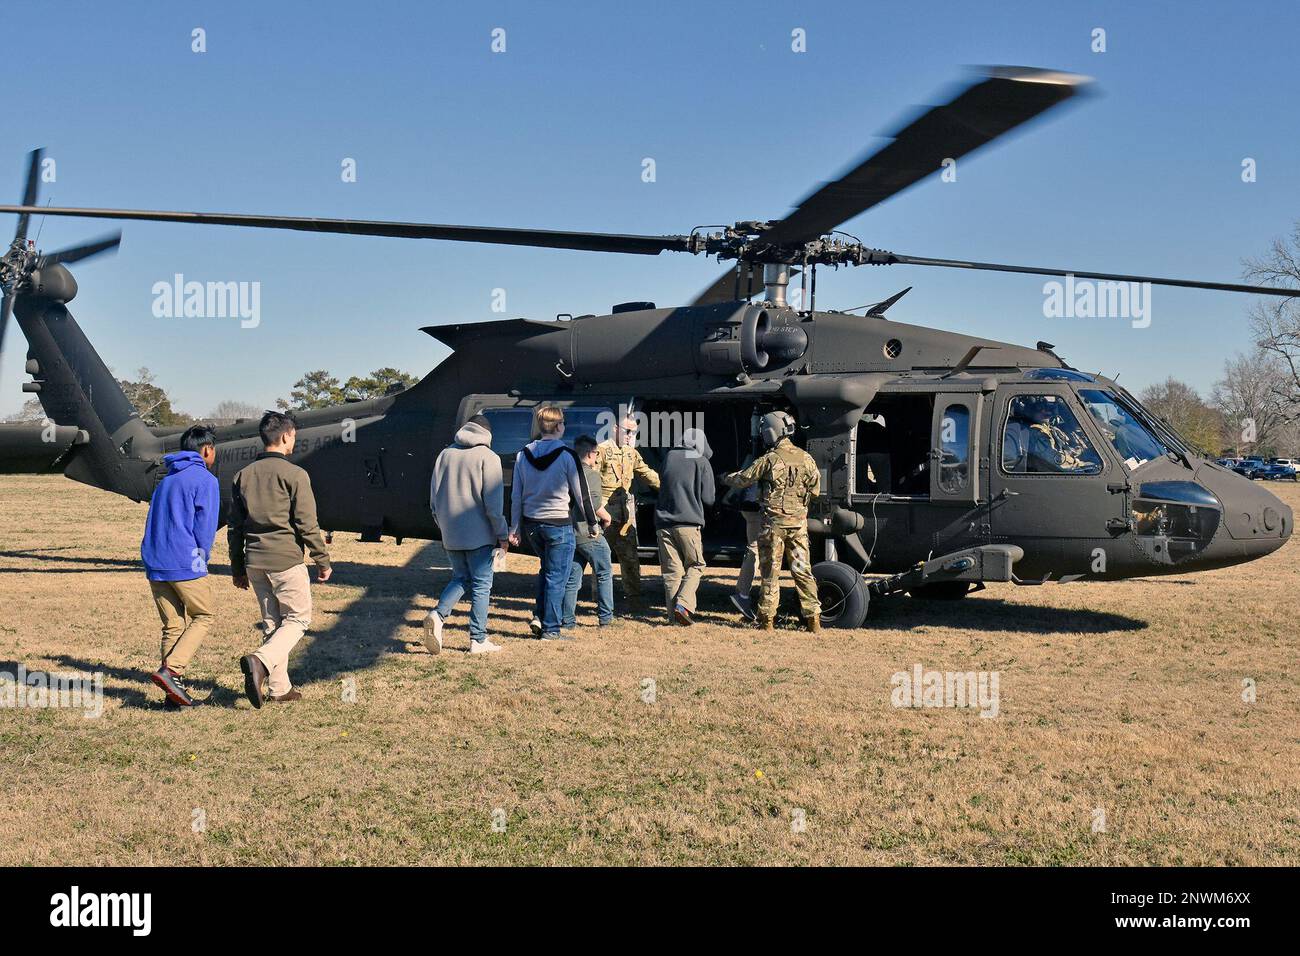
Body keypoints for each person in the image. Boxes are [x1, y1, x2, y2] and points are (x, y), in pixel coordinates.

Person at [229, 411, 332, 708]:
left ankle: (279, 687)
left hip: (255, 561)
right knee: (298, 619)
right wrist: (322, 560)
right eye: (294, 437)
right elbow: (307, 524)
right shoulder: (296, 475)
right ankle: (259, 662)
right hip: (285, 559)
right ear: (287, 436)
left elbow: (235, 528)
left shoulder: (242, 476)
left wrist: (237, 568)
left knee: (273, 624)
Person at [142, 424, 220, 708]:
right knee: (204, 615)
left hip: (155, 560)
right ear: (207, 450)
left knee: (173, 625)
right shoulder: (205, 480)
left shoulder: (166, 480)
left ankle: (172, 696)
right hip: (184, 560)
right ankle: (172, 671)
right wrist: (202, 558)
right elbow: (205, 528)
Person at [722, 411, 822, 633]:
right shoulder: (807, 458)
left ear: (770, 432)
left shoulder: (769, 460)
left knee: (770, 573)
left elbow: (743, 479)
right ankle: (814, 620)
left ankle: (766, 621)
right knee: (803, 571)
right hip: (798, 526)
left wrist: (725, 477)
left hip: (773, 526)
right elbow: (815, 490)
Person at [509, 405, 597, 640]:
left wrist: (514, 527)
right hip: (558, 523)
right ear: (559, 426)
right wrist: (592, 522)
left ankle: (540, 615)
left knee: (547, 570)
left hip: (531, 524)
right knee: (557, 575)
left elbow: (516, 495)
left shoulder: (523, 454)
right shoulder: (567, 455)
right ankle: (551, 629)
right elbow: (581, 493)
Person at [428, 414, 510, 655]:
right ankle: (478, 639)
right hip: (480, 535)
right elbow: (493, 507)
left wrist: (442, 525)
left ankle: (438, 614)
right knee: (482, 585)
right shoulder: (489, 457)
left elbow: (433, 499)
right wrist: (503, 535)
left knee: (461, 578)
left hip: (450, 532)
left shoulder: (444, 455)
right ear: (488, 435)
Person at [654, 427, 715, 625]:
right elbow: (709, 499)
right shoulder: (701, 460)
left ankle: (674, 618)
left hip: (663, 523)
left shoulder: (669, 457)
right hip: (688, 523)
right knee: (696, 565)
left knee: (672, 571)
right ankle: (683, 604)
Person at [595, 413, 659, 601]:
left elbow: (646, 473)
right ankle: (599, 597)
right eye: (628, 431)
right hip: (605, 513)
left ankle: (633, 596)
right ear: (615, 429)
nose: (631, 436)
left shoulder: (631, 452)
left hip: (625, 514)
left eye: (635, 432)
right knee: (601, 557)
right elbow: (590, 480)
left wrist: (670, 487)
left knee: (630, 556)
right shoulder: (602, 450)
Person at [561, 434, 614, 630]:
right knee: (604, 572)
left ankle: (567, 621)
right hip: (587, 530)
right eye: (596, 454)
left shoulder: (567, 471)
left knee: (573, 578)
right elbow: (592, 502)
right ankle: (606, 618)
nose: (597, 458)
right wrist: (606, 517)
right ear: (590, 454)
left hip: (570, 531)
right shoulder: (590, 474)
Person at [724, 451, 762, 622]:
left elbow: (743, 476)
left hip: (750, 504)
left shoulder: (754, 453)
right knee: (757, 550)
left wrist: (726, 481)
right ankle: (743, 594)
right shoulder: (772, 455)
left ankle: (743, 592)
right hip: (758, 505)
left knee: (754, 548)